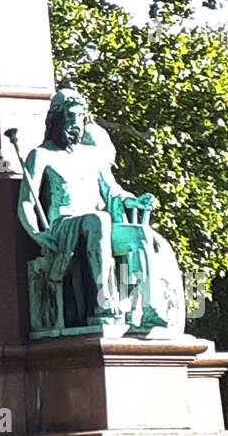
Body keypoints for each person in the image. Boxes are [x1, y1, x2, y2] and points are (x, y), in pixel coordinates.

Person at [17, 83, 186, 334]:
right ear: (57, 118)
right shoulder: (41, 155)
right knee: (100, 220)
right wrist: (36, 233)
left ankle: (149, 308)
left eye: (81, 117)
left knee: (139, 234)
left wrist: (134, 201)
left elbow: (113, 192)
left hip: (98, 225)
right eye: (72, 116)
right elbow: (26, 202)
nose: (77, 123)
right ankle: (104, 303)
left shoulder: (92, 155)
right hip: (65, 225)